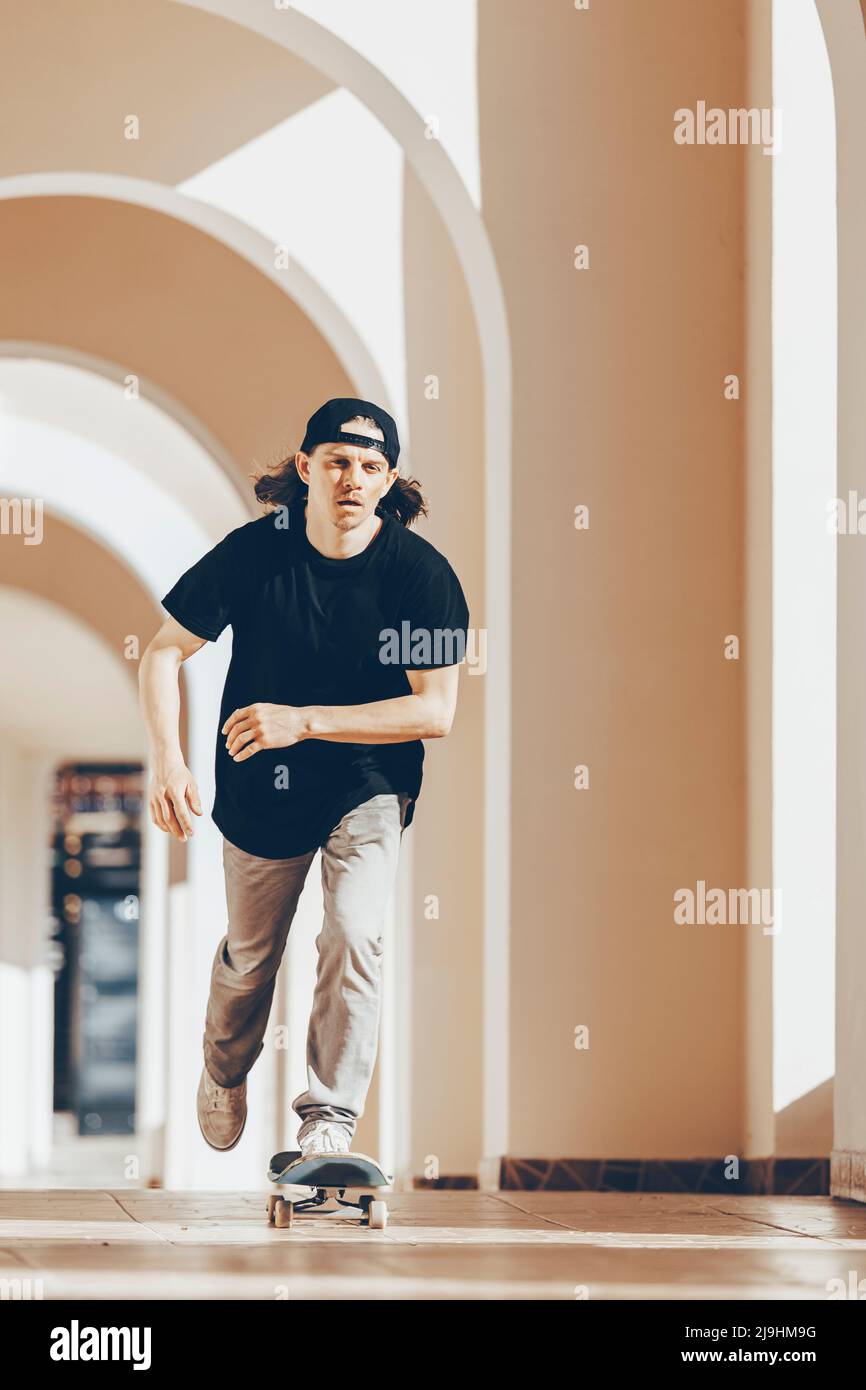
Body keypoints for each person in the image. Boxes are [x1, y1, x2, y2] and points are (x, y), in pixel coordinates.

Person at [138, 398, 470, 1158]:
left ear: (389, 481)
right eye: (339, 462)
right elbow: (162, 652)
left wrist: (306, 719)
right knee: (252, 957)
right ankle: (223, 1071)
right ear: (307, 468)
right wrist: (169, 757)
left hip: (367, 779)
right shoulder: (257, 553)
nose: (353, 479)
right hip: (258, 784)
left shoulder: (422, 576)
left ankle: (330, 1118)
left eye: (371, 467)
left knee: (356, 932)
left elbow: (437, 710)